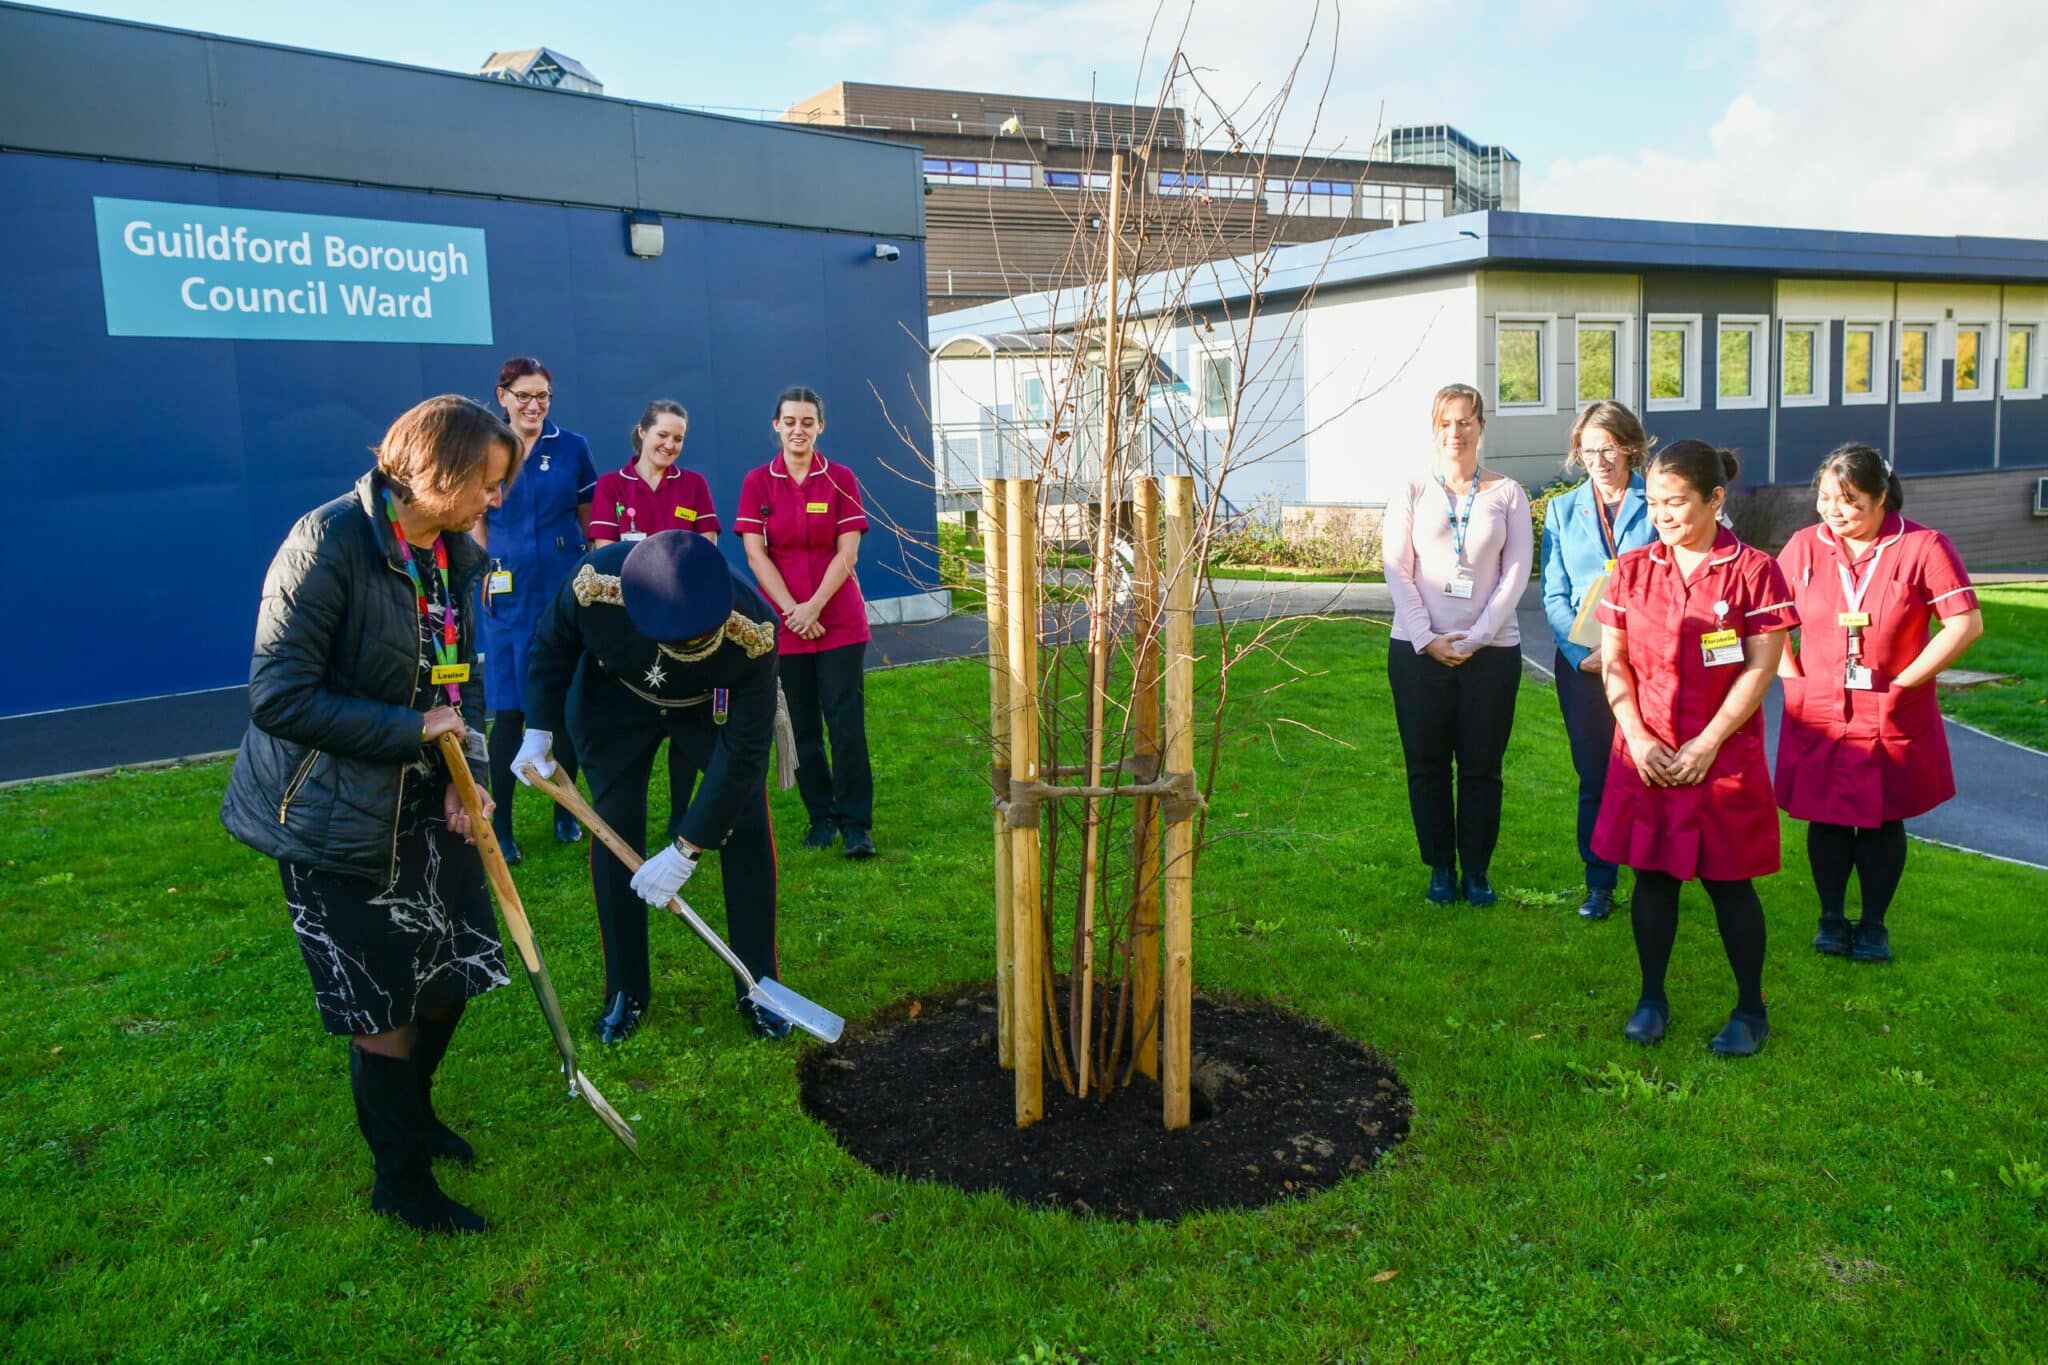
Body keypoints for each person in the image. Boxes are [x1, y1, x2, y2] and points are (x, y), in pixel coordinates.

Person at [220, 395, 521, 1234]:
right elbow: (277, 695)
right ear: (439, 472)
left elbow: (464, 682)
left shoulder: (454, 553)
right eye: (485, 482)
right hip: (334, 814)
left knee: (451, 976)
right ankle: (402, 1183)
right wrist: (409, 729)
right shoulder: (328, 542)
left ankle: (411, 1118)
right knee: (382, 1006)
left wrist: (469, 776)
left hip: (426, 799)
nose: (494, 499)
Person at [514, 530, 790, 1043]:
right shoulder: (595, 585)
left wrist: (687, 849)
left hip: (705, 708)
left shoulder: (753, 629)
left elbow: (744, 755)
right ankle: (626, 990)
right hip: (614, 702)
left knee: (746, 821)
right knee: (614, 825)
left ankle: (760, 986)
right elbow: (552, 647)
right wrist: (538, 731)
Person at [1592, 440, 1797, 1058]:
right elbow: (1614, 662)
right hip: (1648, 755)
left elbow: (1761, 667)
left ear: (1715, 498)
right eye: (1654, 502)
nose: (1662, 515)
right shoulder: (1631, 570)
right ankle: (1651, 999)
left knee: (1729, 884)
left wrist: (1709, 741)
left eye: (1676, 502)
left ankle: (1751, 1010)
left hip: (1721, 757)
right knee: (1652, 877)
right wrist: (1635, 735)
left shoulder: (1755, 572)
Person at [1776, 444, 1984, 963]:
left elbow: (1964, 624)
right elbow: (1769, 618)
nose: (1833, 510)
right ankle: (1830, 917)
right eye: (1826, 498)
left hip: (1889, 709)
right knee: (1825, 817)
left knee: (1882, 818)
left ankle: (1873, 925)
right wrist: (1790, 676)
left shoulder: (1923, 546)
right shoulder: (1803, 546)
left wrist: (1906, 683)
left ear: (1881, 497)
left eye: (1848, 501)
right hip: (1819, 708)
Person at [1382, 382, 1533, 906]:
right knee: (1426, 765)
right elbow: (1396, 568)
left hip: (1491, 654)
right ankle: (1441, 869)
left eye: (1466, 421)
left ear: (1481, 427)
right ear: (1434, 428)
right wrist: (1427, 638)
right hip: (1418, 653)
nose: (1456, 432)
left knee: (1481, 768)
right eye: (1446, 422)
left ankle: (1477, 871)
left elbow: (1516, 572)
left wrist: (1478, 636)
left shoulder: (1508, 493)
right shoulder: (1411, 489)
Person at [735, 385, 877, 860]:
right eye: (790, 421)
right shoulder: (758, 482)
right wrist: (793, 611)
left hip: (839, 620)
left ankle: (856, 825)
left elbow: (848, 551)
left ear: (820, 427)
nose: (799, 430)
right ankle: (822, 818)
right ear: (777, 426)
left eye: (808, 422)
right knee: (801, 728)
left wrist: (814, 606)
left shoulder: (840, 478)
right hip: (786, 623)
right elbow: (756, 555)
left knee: (846, 724)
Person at [1539, 401, 1659, 921]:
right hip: (1583, 665)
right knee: (1595, 775)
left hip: (1646, 663)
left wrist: (1626, 650)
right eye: (1588, 450)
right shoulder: (1563, 511)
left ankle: (1654, 876)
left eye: (1608, 449)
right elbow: (1553, 593)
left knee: (1648, 767)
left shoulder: (1657, 502)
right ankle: (1599, 883)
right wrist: (1578, 652)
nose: (1599, 461)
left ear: (1630, 447)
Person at [475, 356, 596, 863]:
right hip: (508, 594)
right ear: (502, 396)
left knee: (565, 704)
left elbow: (588, 516)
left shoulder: (572, 447)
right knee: (509, 711)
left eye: (542, 395)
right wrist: (485, 566)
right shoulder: (483, 445)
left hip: (560, 588)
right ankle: (501, 825)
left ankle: (564, 810)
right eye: (523, 395)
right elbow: (474, 515)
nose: (533, 405)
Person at [590, 400, 725, 844]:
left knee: (685, 717)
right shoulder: (611, 486)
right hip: (630, 620)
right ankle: (625, 816)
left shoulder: (694, 486)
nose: (670, 444)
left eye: (678, 438)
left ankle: (680, 816)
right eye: (662, 434)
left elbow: (707, 550)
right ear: (642, 432)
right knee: (635, 723)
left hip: (684, 621)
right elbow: (604, 555)